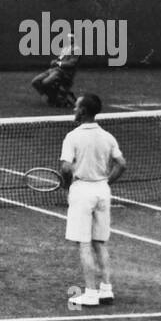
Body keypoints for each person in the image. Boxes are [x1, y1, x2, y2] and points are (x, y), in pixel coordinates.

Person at [60, 94, 125, 308]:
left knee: (85, 244)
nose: (73, 110)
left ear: (83, 111)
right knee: (100, 242)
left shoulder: (72, 137)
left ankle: (89, 293)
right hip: (102, 190)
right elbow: (121, 164)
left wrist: (67, 184)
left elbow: (66, 168)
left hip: (82, 191)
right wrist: (106, 182)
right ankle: (106, 289)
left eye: (76, 107)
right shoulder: (108, 136)